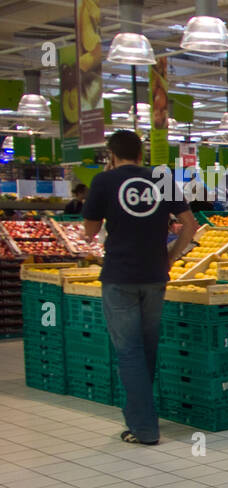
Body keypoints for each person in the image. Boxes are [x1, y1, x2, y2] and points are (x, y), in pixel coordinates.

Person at [82, 130, 200, 446]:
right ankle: (141, 419)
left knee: (129, 352)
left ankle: (145, 428)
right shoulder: (160, 179)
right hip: (154, 276)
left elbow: (90, 232)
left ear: (111, 154)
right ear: (141, 154)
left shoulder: (103, 182)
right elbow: (191, 224)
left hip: (120, 277)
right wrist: (170, 259)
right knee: (145, 350)